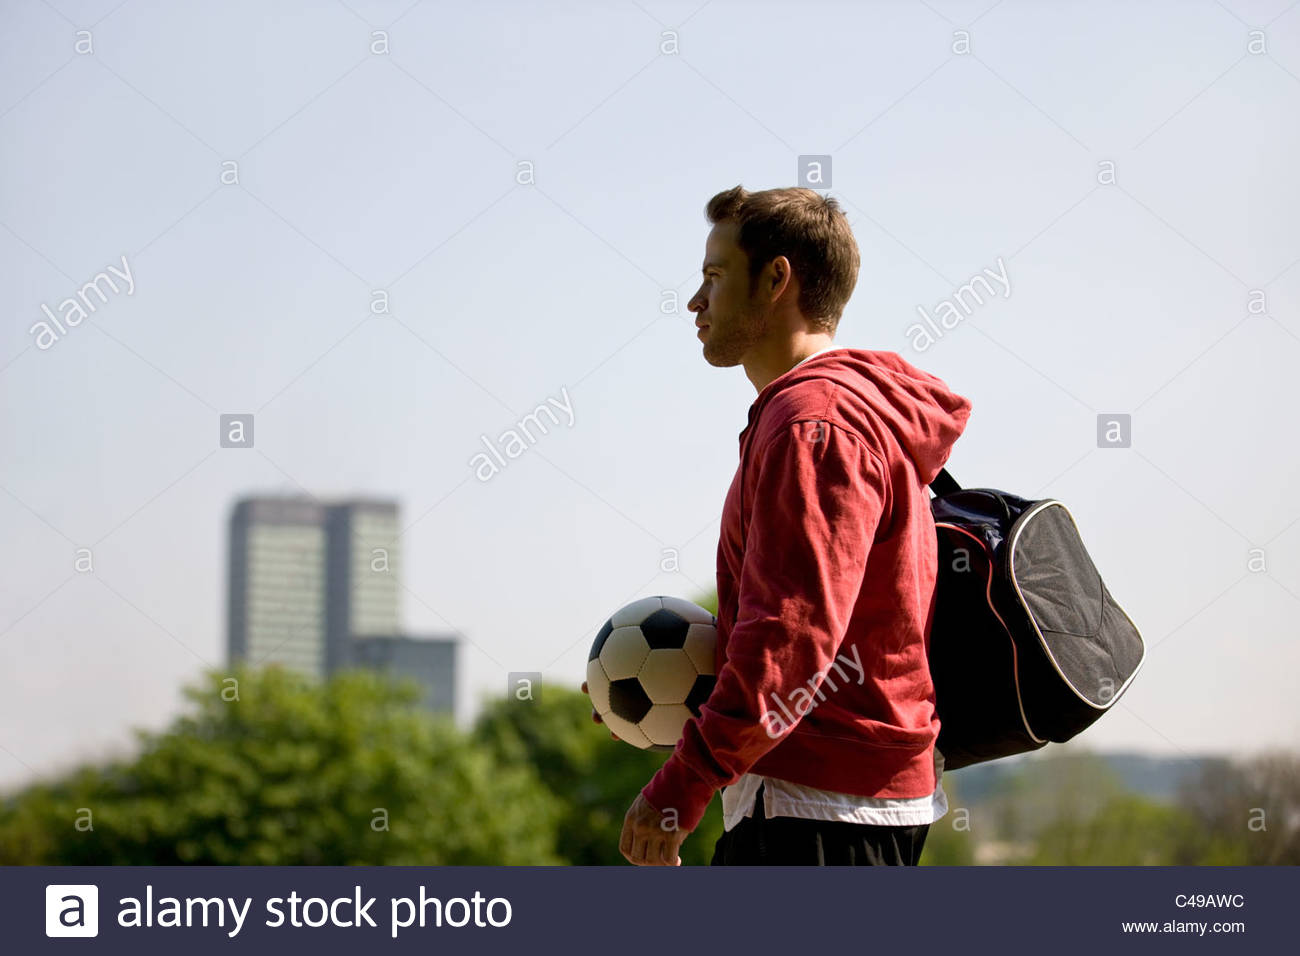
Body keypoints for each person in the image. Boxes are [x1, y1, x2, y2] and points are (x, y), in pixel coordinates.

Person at [586, 184, 972, 866]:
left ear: (775, 279)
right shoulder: (845, 411)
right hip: (837, 805)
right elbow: (821, 630)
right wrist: (662, 694)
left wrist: (683, 786)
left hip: (817, 813)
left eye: (714, 277)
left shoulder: (813, 426)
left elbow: (791, 640)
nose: (695, 302)